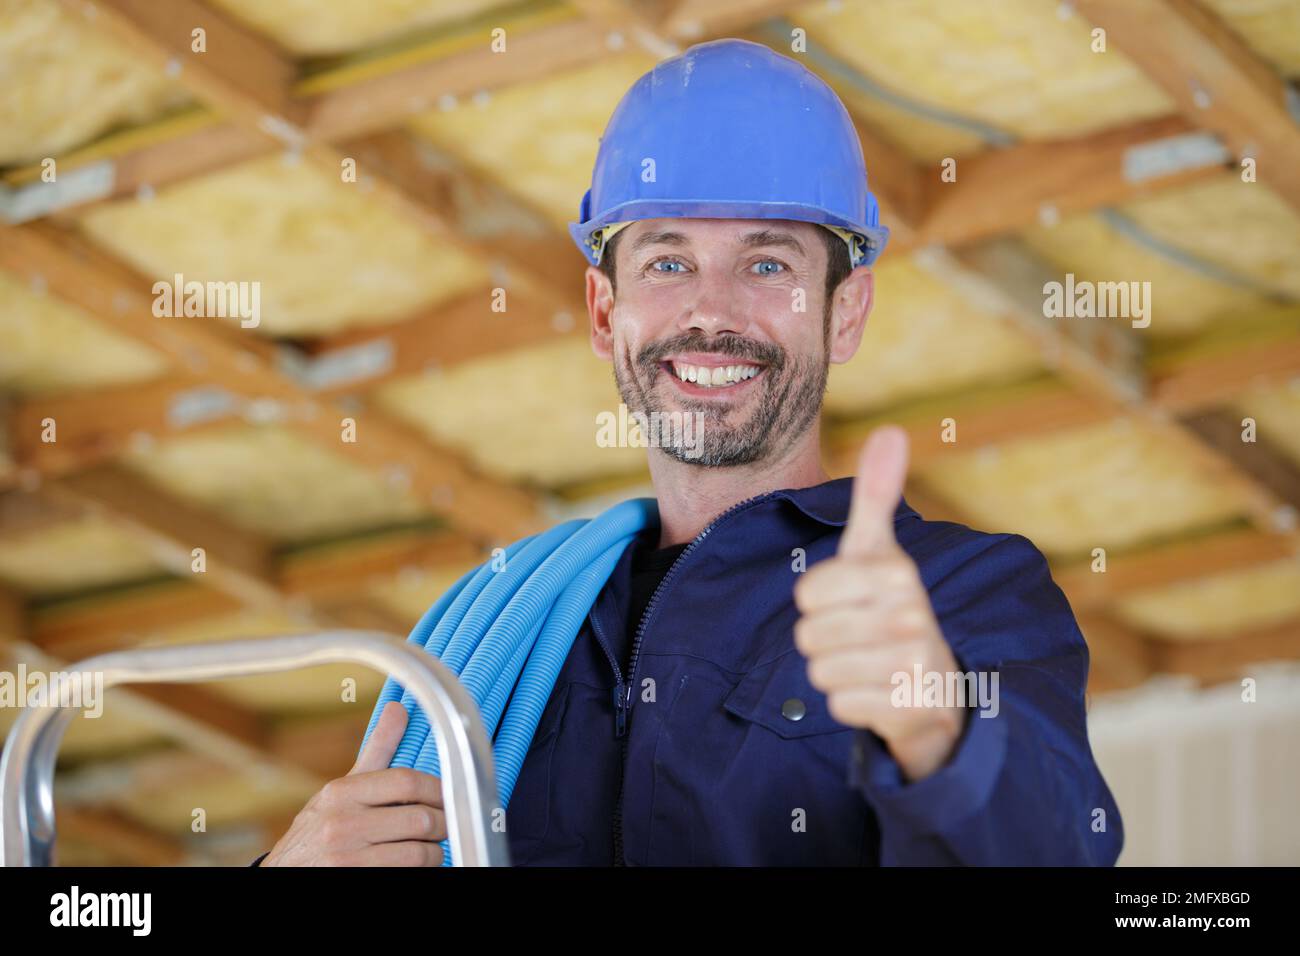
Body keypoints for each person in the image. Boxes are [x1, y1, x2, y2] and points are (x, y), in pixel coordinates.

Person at [257, 38, 1122, 867]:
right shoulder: (505, 628)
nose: (713, 312)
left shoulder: (954, 595)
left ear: (845, 313)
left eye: (768, 265)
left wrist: (940, 734)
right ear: (605, 312)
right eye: (668, 264)